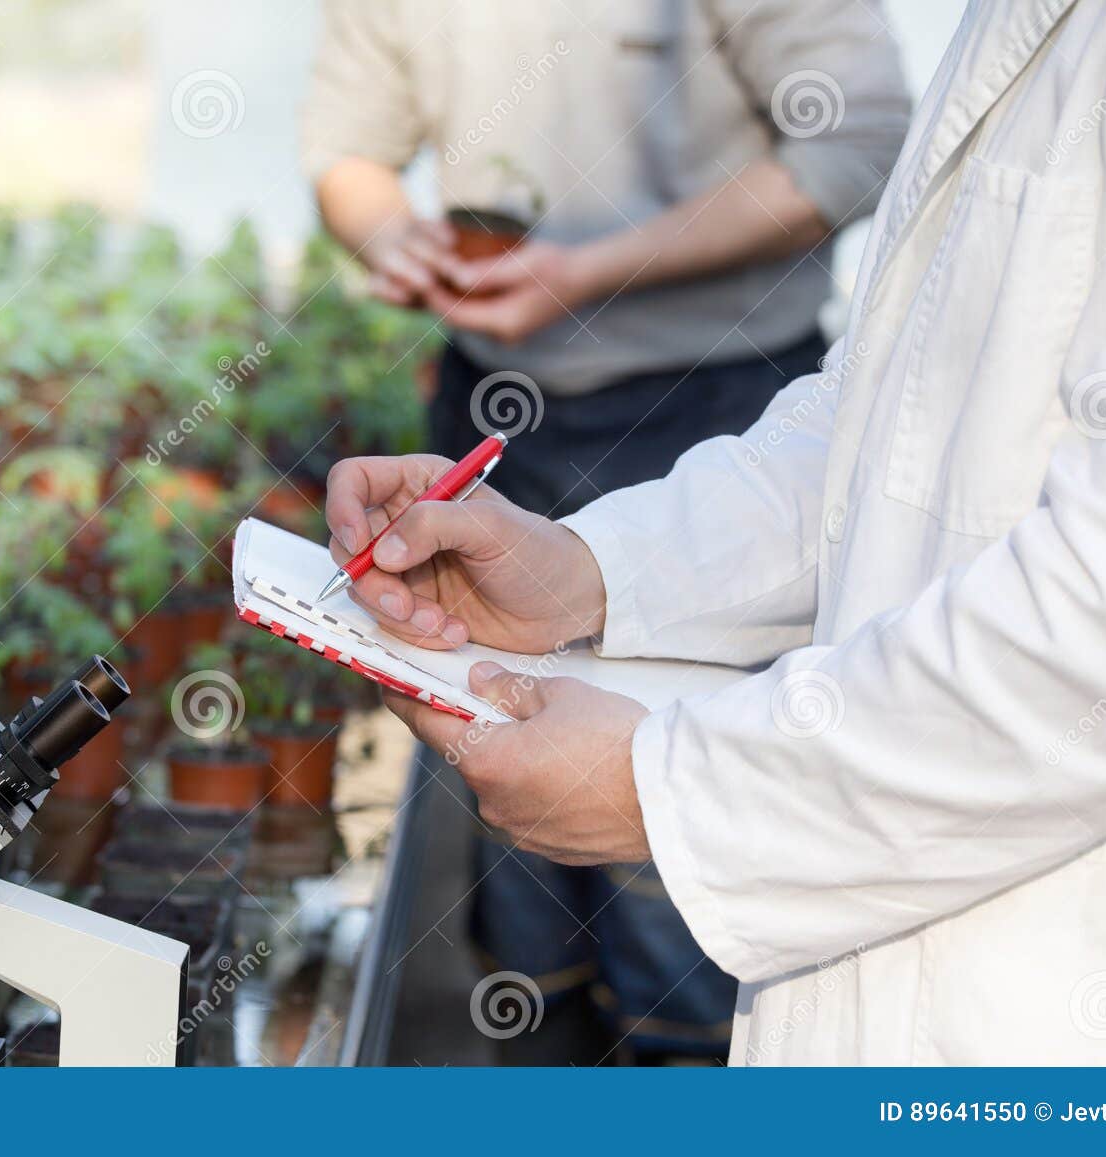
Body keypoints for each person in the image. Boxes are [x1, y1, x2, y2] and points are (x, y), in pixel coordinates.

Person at [322, 0, 1106, 1064]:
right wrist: (589, 569)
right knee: (537, 940)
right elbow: (889, 412)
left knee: (663, 966)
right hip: (562, 428)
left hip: (1059, 1024)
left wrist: (674, 792)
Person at [302, 0, 910, 1060]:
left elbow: (852, 147)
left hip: (715, 406)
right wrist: (396, 240)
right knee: (518, 830)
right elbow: (348, 150)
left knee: (670, 882)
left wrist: (595, 273)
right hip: (494, 408)